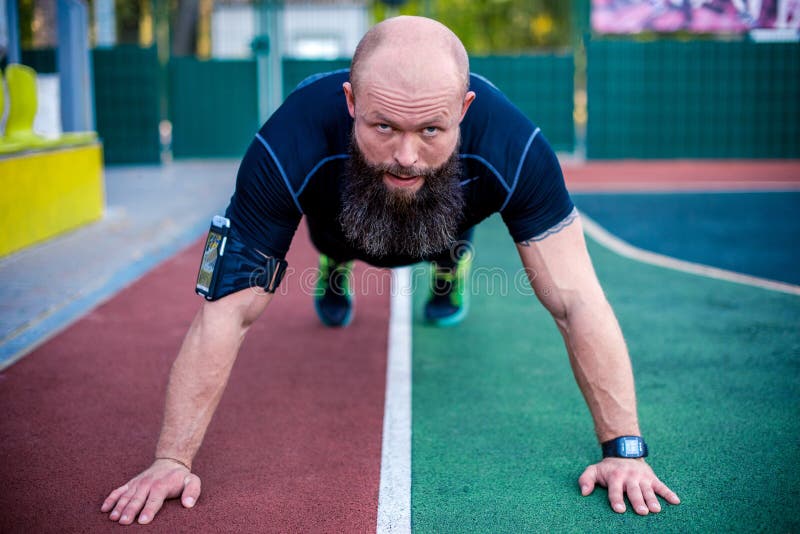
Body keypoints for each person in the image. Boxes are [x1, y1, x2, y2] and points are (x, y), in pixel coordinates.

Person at [101, 15, 680, 526]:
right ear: (351, 102)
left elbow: (577, 299)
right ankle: (334, 262)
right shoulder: (288, 142)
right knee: (335, 237)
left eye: (431, 129)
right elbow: (226, 310)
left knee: (445, 217)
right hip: (343, 218)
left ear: (464, 109)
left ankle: (450, 263)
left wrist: (624, 449)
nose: (406, 153)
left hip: (446, 213)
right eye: (384, 128)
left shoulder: (514, 145)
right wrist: (170, 460)